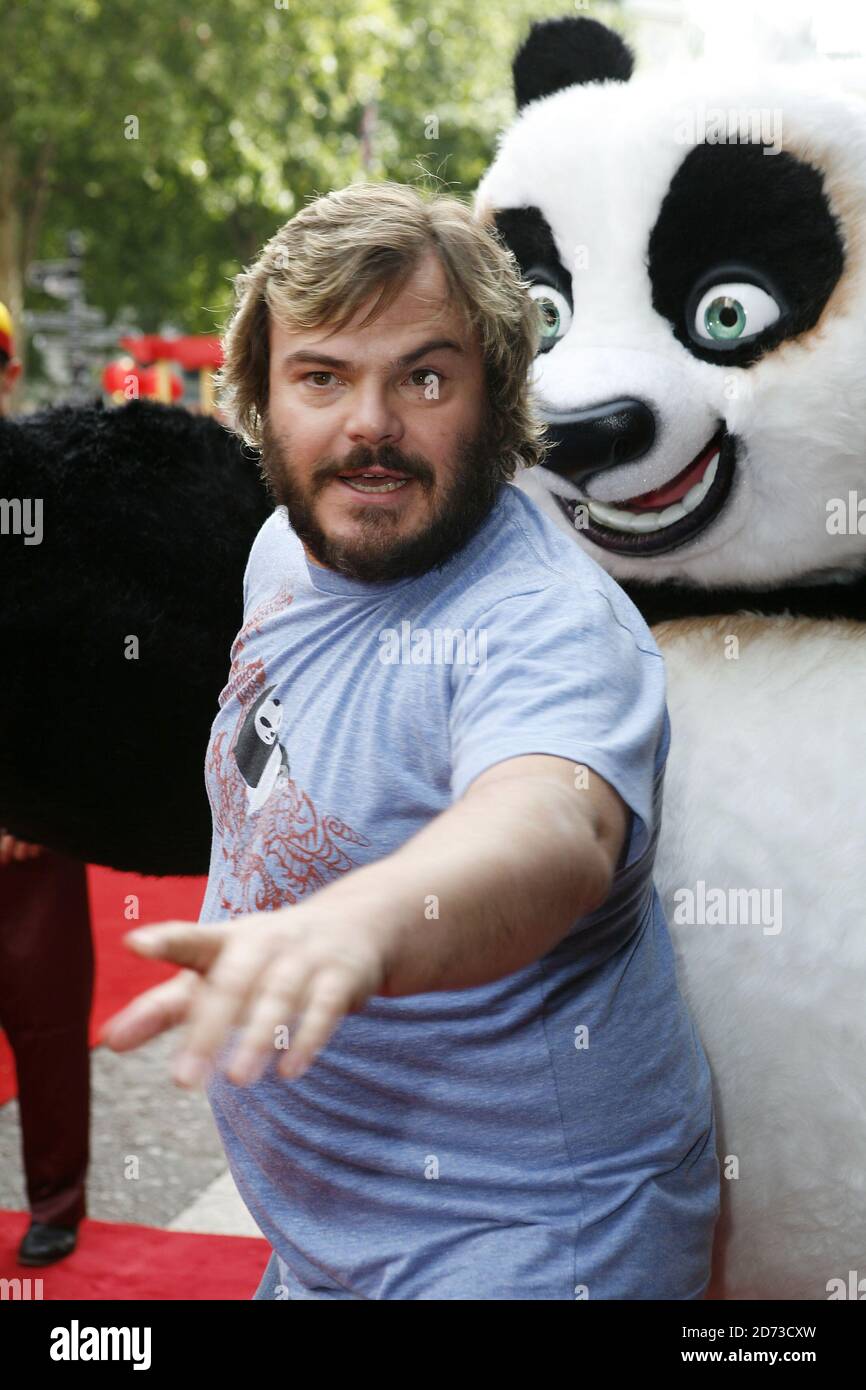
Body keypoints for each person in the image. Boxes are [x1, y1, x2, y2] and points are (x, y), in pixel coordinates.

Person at [101, 181, 720, 1300]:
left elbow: (549, 827)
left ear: (495, 398)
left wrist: (362, 926)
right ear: (260, 397)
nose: (368, 424)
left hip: (524, 1245)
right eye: (322, 376)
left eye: (422, 377)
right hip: (325, 1243)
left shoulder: (543, 623)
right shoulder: (285, 549)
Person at [0, 301, 94, 1266]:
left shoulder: (44, 498)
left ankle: (56, 1199)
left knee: (49, 1024)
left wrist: (38, 798)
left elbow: (74, 661)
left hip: (32, 831)